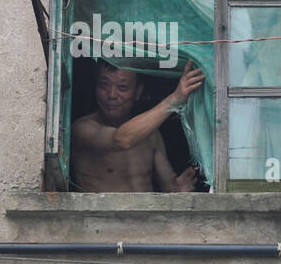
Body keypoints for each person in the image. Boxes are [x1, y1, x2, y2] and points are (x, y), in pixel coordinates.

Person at [71, 60, 205, 193]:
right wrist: (174, 100)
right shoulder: (82, 129)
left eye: (122, 87)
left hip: (148, 214)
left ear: (138, 92)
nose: (111, 95)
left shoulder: (151, 134)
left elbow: (168, 188)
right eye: (103, 85)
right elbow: (121, 139)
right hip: (101, 214)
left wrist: (177, 188)